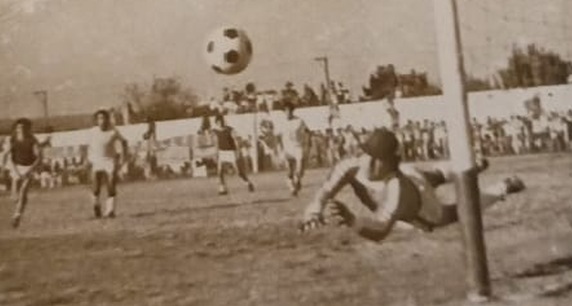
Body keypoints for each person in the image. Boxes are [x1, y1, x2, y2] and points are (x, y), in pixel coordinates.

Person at [300, 129, 525, 241]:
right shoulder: (351, 165)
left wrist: (352, 220)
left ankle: (501, 188)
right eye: (367, 153)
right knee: (434, 175)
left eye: (378, 157)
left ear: (389, 162)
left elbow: (380, 229)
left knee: (450, 214)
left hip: (416, 196)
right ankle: (471, 166)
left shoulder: (398, 188)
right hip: (412, 175)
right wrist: (313, 211)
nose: (370, 162)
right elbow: (325, 190)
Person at [88, 109, 128, 219]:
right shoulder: (92, 131)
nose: (102, 120)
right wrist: (87, 159)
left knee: (111, 185)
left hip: (110, 160)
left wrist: (124, 158)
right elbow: (87, 146)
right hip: (97, 161)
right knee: (96, 188)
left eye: (104, 118)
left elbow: (124, 142)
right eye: (100, 118)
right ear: (96, 120)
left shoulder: (113, 131)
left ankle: (110, 211)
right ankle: (96, 206)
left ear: (107, 119)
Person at [3, 118, 42, 228]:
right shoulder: (12, 140)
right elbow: (8, 156)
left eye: (24, 128)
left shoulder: (32, 140)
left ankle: (17, 215)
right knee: (15, 197)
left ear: (28, 129)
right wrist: (6, 168)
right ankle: (19, 207)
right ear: (16, 129)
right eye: (19, 127)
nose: (21, 130)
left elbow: (39, 157)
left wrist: (30, 169)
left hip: (28, 167)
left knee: (23, 191)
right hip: (16, 167)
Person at [213, 114, 255, 195]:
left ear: (223, 121)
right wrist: (216, 153)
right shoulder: (215, 131)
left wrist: (238, 150)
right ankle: (222, 188)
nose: (220, 123)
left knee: (239, 172)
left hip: (231, 151)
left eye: (221, 121)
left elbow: (236, 141)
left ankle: (248, 183)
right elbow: (216, 143)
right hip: (222, 152)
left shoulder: (230, 130)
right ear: (216, 122)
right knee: (220, 171)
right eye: (218, 121)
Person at [278, 102, 310, 196]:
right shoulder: (281, 122)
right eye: (285, 111)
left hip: (298, 146)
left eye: (289, 111)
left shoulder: (299, 121)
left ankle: (297, 180)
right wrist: (280, 149)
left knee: (300, 169)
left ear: (292, 111)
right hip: (287, 148)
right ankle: (292, 188)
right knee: (289, 171)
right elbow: (278, 136)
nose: (287, 113)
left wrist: (307, 143)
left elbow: (308, 131)